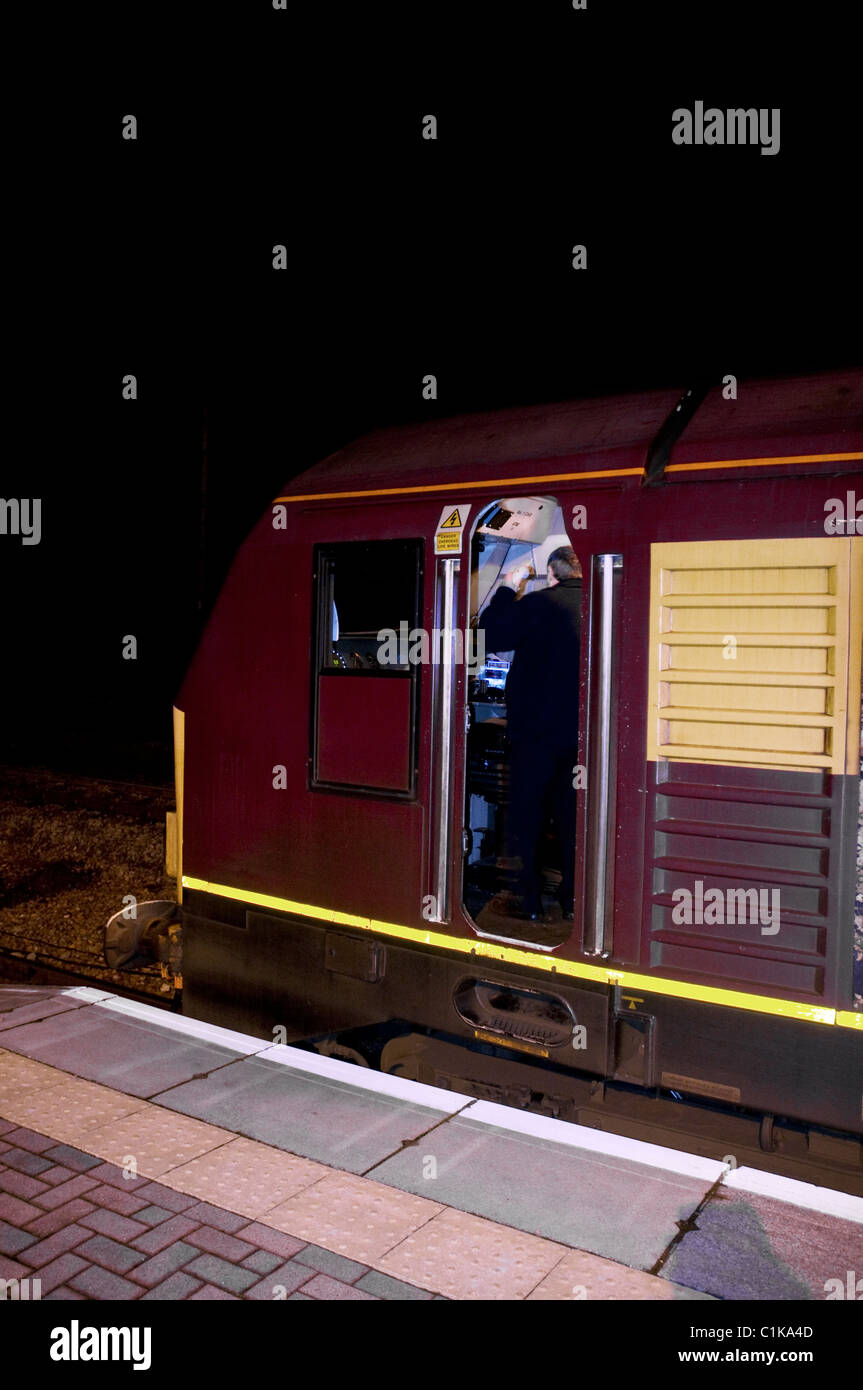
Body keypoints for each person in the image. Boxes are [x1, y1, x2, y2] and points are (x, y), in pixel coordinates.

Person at [479, 546, 581, 920]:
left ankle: (529, 903)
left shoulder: (540, 604)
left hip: (536, 736)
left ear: (551, 574)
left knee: (528, 817)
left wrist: (508, 587)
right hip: (582, 738)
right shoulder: (600, 605)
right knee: (572, 820)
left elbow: (489, 635)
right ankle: (573, 901)